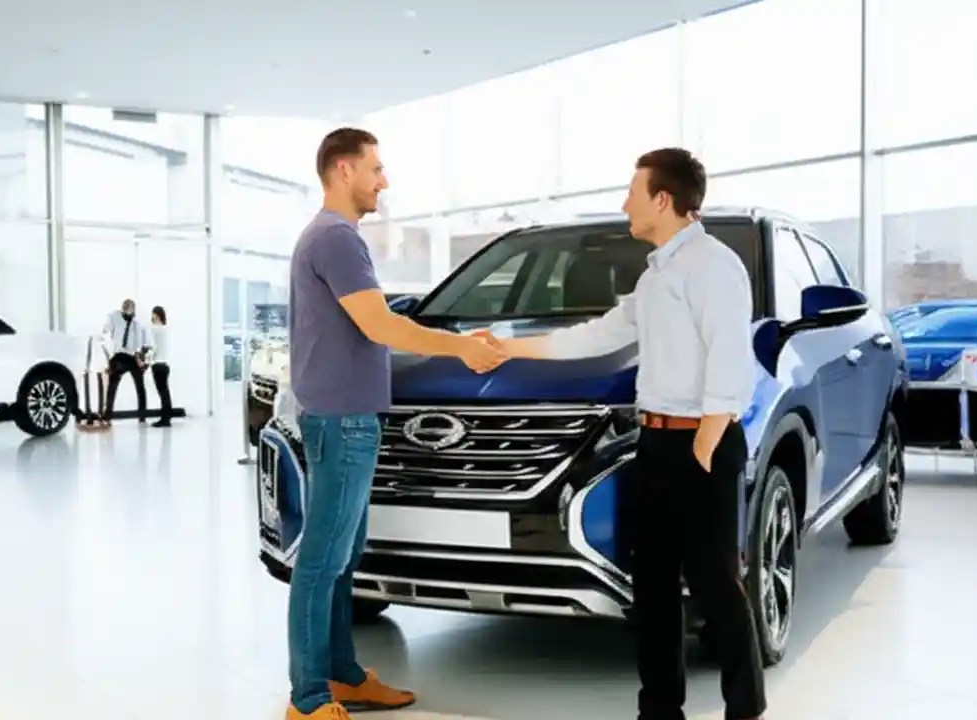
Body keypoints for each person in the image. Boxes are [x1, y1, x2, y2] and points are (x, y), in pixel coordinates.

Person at [480, 148, 766, 720]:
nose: (624, 204)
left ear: (663, 199)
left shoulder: (712, 264)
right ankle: (658, 711)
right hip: (655, 444)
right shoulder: (657, 274)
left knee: (715, 587)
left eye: (632, 193)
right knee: (652, 587)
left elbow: (730, 355)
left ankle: (745, 708)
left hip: (701, 443)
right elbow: (598, 334)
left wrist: (706, 441)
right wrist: (508, 348)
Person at [284, 127, 506, 720]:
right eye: (375, 168)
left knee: (343, 556)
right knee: (322, 561)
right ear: (343, 170)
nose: (384, 180)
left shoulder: (333, 237)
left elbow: (370, 323)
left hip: (348, 418)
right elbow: (381, 325)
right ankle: (308, 698)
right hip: (342, 422)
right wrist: (460, 348)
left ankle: (342, 674)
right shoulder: (335, 238)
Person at [102, 298, 152, 424]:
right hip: (119, 355)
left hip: (133, 357)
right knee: (112, 386)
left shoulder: (137, 324)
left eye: (130, 308)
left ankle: (142, 416)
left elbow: (140, 343)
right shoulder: (114, 318)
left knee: (140, 387)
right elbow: (107, 332)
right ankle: (107, 415)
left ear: (133, 310)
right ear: (123, 308)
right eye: (126, 307)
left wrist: (140, 359)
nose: (128, 309)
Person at [148, 305, 173, 427]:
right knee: (165, 393)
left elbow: (153, 348)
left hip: (157, 364)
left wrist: (147, 359)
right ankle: (166, 417)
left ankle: (165, 419)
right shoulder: (165, 329)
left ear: (156, 315)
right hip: (165, 365)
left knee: (163, 394)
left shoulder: (155, 329)